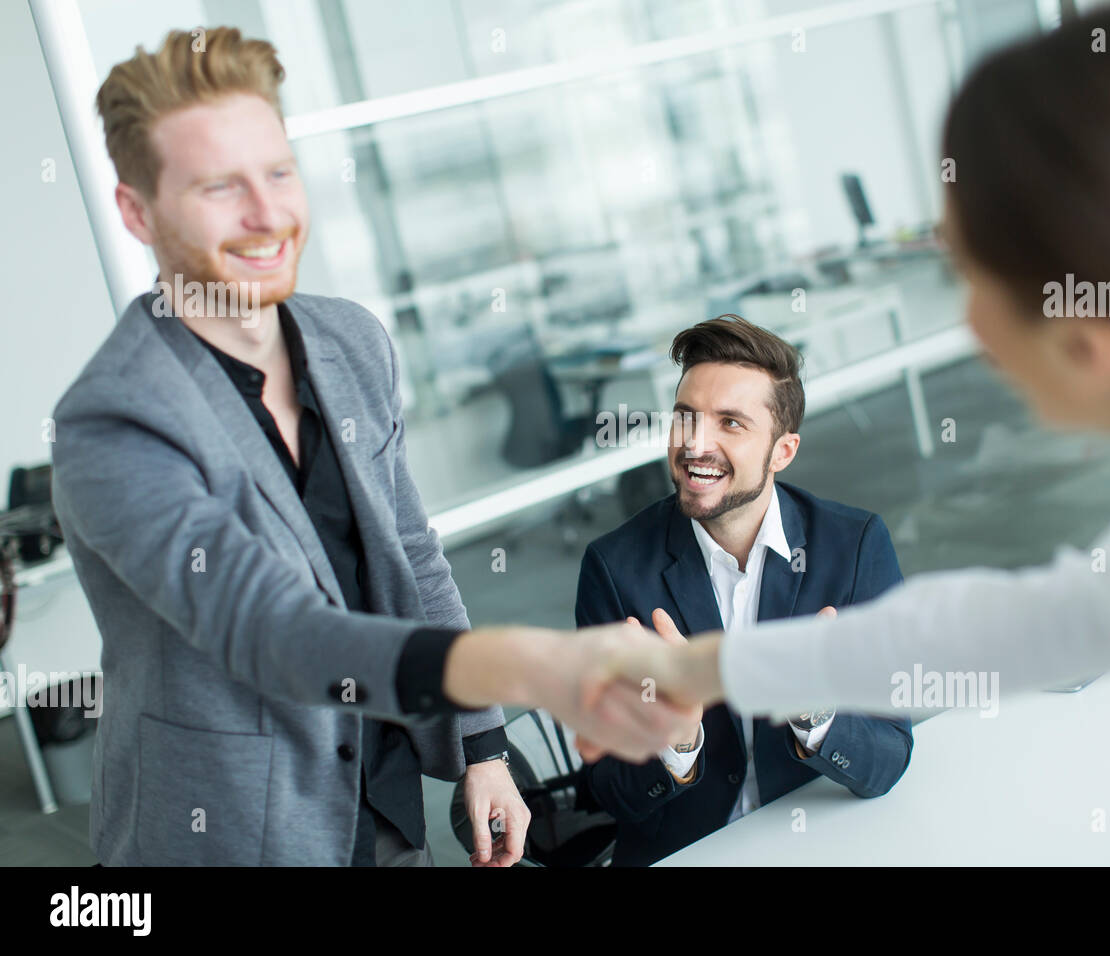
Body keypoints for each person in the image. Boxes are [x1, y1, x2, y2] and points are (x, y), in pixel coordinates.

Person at [578, 7, 1110, 865]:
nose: (969, 327)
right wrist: (723, 673)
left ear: (1085, 332)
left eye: (972, 273)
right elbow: (1025, 622)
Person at [51, 27, 694, 867]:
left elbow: (410, 556)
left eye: (278, 172)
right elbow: (273, 632)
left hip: (382, 804)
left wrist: (482, 747)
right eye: (220, 187)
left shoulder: (349, 342)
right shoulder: (114, 423)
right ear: (137, 211)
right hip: (227, 827)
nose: (267, 212)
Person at [574, 316, 913, 865]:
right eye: (685, 418)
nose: (695, 444)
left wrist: (818, 716)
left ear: (782, 451)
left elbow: (888, 758)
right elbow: (607, 790)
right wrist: (676, 745)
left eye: (730, 423)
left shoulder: (852, 548)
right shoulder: (614, 569)